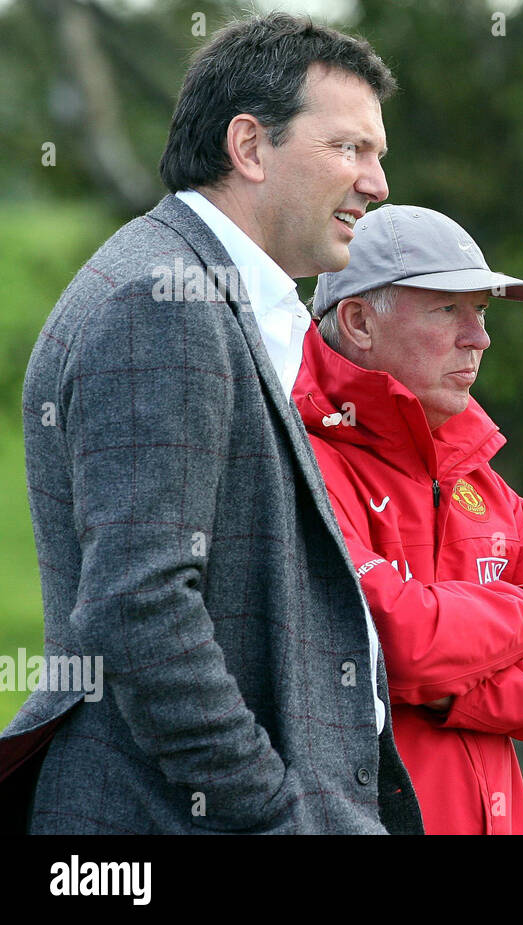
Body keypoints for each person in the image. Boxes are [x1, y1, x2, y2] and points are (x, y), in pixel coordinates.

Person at [0, 13, 423, 834]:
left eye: (380, 156)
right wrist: (275, 811)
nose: (377, 183)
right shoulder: (162, 301)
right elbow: (139, 606)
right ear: (250, 147)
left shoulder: (197, 293)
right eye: (351, 150)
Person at [293, 204, 523, 833]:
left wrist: (451, 694)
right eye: (448, 309)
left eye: (482, 311)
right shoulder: (301, 464)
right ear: (358, 321)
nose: (480, 337)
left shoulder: (483, 481)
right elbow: (401, 647)